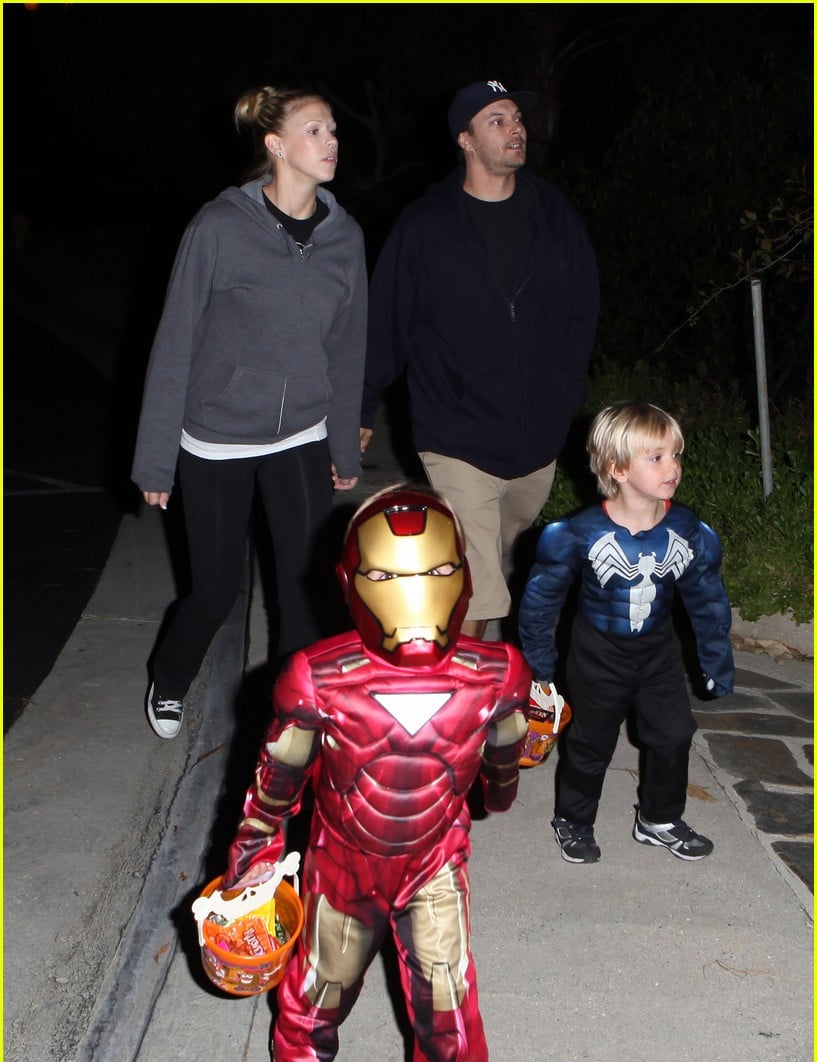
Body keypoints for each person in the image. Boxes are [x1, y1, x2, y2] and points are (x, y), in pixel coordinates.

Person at [220, 484, 531, 1062]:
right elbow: (276, 782)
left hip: (433, 860)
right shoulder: (318, 676)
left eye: (431, 571)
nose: (413, 593)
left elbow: (503, 772)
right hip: (341, 856)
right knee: (326, 978)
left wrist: (511, 758)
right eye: (388, 575)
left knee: (447, 994)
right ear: (352, 580)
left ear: (462, 573)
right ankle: (299, 1057)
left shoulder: (495, 673)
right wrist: (249, 862)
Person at [131, 85, 367, 738]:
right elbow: (174, 341)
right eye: (315, 130)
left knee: (302, 592)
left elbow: (349, 350)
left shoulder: (344, 238)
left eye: (333, 130)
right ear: (274, 145)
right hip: (216, 438)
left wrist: (343, 447)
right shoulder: (218, 228)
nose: (330, 141)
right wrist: (156, 456)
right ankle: (171, 678)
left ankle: (295, 716)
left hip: (300, 437)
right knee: (213, 591)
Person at [361, 80, 599, 639]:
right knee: (480, 585)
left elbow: (583, 308)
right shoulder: (425, 225)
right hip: (455, 433)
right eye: (497, 120)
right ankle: (467, 714)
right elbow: (386, 321)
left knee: (491, 557)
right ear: (465, 139)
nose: (515, 128)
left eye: (516, 118)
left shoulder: (553, 214)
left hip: (534, 439)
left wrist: (566, 389)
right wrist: (362, 405)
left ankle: (470, 682)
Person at [518, 401, 734, 864]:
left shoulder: (688, 530)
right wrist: (540, 667)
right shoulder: (577, 533)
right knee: (591, 742)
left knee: (674, 733)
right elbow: (540, 603)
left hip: (658, 652)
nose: (672, 467)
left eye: (675, 455)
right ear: (616, 468)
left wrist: (716, 661)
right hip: (597, 653)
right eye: (655, 458)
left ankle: (658, 818)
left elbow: (708, 600)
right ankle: (573, 820)